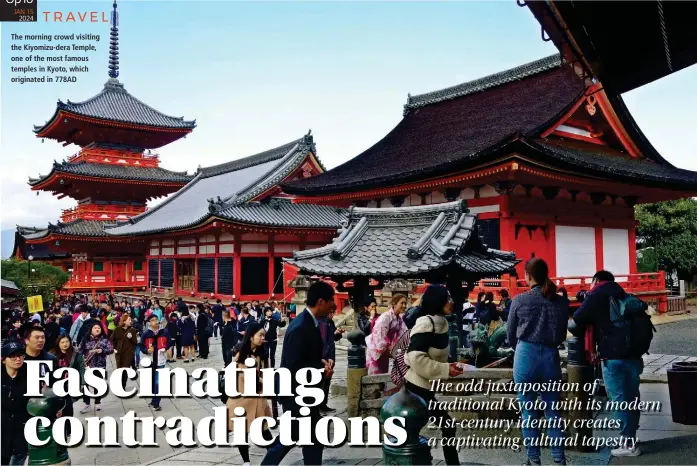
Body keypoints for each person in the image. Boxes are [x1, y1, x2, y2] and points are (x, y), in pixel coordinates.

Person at [261, 281, 335, 465]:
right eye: (330, 300)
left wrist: (322, 363)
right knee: (290, 438)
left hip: (304, 394)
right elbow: (294, 366)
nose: (333, 305)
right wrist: (320, 372)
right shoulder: (301, 326)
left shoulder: (310, 322)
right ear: (320, 301)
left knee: (312, 439)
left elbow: (306, 358)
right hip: (296, 395)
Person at [573, 270, 644, 458]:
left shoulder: (596, 294)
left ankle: (628, 444)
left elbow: (579, 318)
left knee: (619, 399)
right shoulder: (621, 293)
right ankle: (631, 437)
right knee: (631, 396)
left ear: (596, 280)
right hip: (634, 355)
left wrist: (587, 298)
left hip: (612, 356)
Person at [507, 258, 568, 466]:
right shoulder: (560, 302)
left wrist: (521, 350)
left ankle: (533, 459)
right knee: (553, 411)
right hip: (550, 356)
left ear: (528, 276)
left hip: (525, 355)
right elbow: (561, 335)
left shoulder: (519, 300)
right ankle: (559, 459)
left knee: (528, 411)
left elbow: (510, 335)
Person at [404, 285, 462, 465]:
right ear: (437, 301)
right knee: (446, 425)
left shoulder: (442, 323)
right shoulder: (426, 323)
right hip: (415, 389)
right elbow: (416, 358)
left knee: (414, 430)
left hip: (427, 389)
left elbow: (436, 352)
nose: (451, 302)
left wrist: (451, 364)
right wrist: (445, 370)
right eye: (447, 299)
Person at [226, 322, 274, 466]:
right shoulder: (240, 352)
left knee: (264, 430)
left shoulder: (261, 352)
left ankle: (273, 458)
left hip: (258, 398)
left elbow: (266, 371)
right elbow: (244, 375)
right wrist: (264, 381)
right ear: (251, 336)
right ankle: (246, 461)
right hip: (241, 399)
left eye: (263, 335)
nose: (262, 338)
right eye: (259, 335)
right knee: (242, 432)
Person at [50, 335, 84, 438]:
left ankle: (68, 429)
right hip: (56, 385)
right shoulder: (52, 355)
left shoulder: (76, 354)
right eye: (62, 342)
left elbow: (81, 369)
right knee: (57, 407)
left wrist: (82, 383)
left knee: (68, 406)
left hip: (70, 384)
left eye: (67, 342)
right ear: (58, 343)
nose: (65, 344)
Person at [1, 341, 29, 466]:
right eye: (13, 356)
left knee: (19, 456)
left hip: (21, 427)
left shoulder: (30, 375)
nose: (18, 359)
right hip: (3, 427)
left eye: (20, 355)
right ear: (3, 360)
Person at [366, 293, 408, 375]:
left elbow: (404, 333)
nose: (404, 305)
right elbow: (380, 336)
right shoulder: (386, 317)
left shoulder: (399, 319)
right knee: (375, 376)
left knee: (383, 375)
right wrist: (390, 347)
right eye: (401, 303)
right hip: (376, 350)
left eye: (405, 303)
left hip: (385, 350)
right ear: (394, 304)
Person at [79, 323, 114, 413]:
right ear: (91, 329)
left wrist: (102, 351)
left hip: (100, 365)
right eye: (95, 328)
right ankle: (87, 403)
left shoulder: (105, 340)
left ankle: (97, 402)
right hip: (87, 365)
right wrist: (81, 360)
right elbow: (80, 350)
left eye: (99, 328)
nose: (97, 329)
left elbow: (111, 350)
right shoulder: (85, 339)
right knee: (85, 384)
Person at [317, 303, 345, 414]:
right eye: (330, 312)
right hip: (323, 357)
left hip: (331, 356)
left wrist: (338, 333)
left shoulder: (330, 322)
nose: (332, 314)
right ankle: (318, 404)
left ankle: (324, 403)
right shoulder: (320, 322)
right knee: (320, 382)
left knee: (327, 382)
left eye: (333, 312)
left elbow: (332, 338)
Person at [141, 314, 171, 411]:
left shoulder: (164, 331)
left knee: (158, 382)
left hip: (160, 360)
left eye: (156, 319)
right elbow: (141, 346)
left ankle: (156, 403)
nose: (155, 321)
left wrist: (165, 348)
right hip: (150, 360)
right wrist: (146, 350)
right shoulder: (146, 333)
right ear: (149, 322)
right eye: (152, 320)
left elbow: (169, 342)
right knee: (151, 381)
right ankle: (154, 399)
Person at [23, 326, 58, 394]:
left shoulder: (51, 359)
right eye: (37, 337)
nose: (41, 340)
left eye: (43, 337)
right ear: (27, 340)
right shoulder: (17, 359)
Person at [111, 314, 138, 388]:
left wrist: (131, 337)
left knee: (125, 369)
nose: (130, 321)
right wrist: (114, 348)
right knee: (119, 369)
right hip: (119, 353)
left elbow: (135, 342)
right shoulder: (117, 329)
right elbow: (112, 340)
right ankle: (119, 383)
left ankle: (123, 385)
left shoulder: (132, 330)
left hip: (128, 353)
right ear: (124, 321)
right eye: (129, 320)